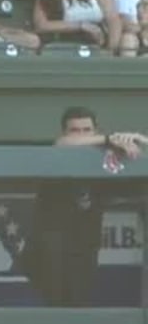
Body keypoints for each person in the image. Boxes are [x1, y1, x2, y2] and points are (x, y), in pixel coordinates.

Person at [26, 108, 148, 308]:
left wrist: (135, 141)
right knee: (56, 306)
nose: (81, 135)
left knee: (78, 303)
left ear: (95, 131)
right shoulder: (59, 154)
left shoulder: (103, 161)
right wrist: (109, 138)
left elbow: (135, 169)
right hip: (48, 253)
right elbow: (62, 144)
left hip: (84, 251)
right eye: (75, 130)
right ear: (65, 132)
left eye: (87, 130)